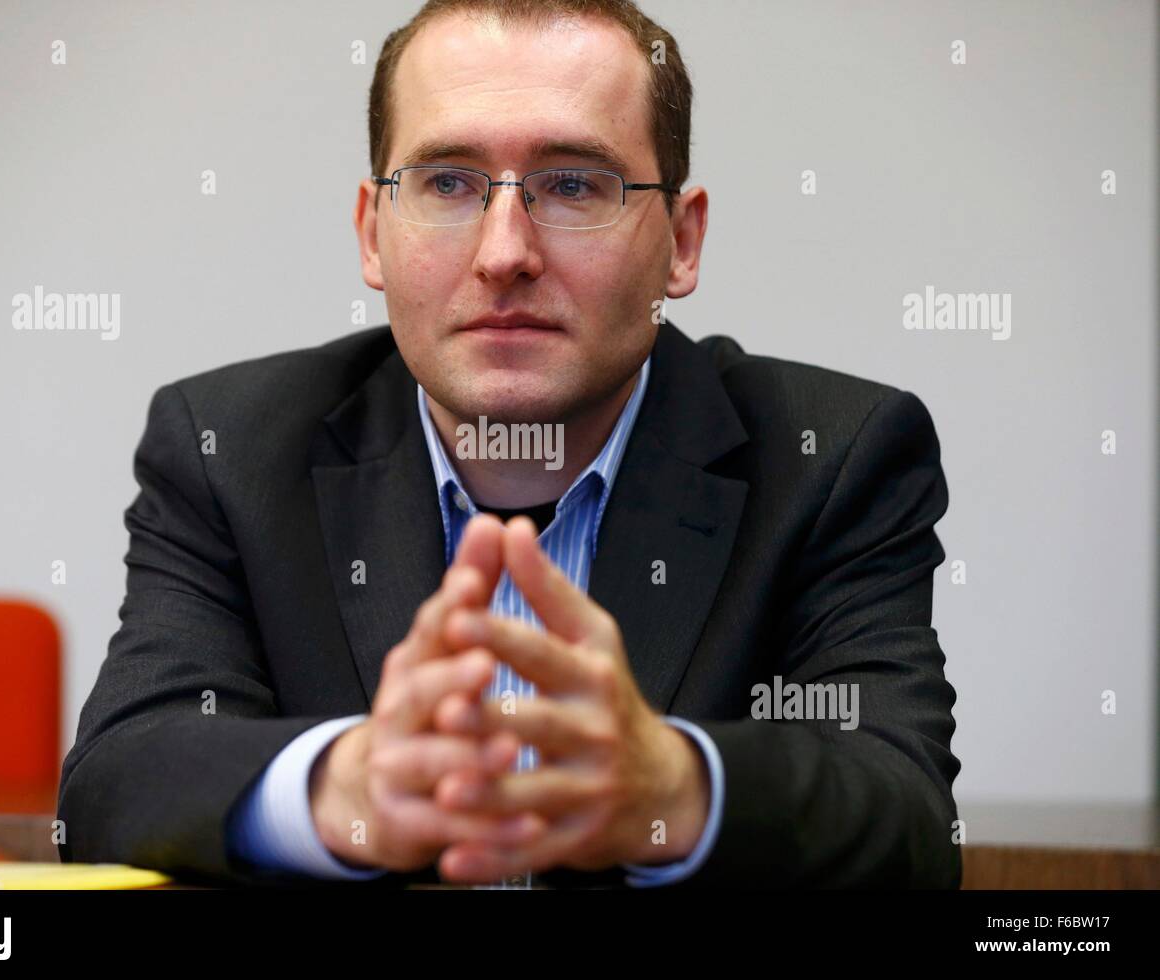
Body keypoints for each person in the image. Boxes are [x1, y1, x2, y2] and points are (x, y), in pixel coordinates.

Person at [57, 0, 961, 889]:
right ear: (374, 231)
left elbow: (907, 822)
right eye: (448, 182)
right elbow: (115, 780)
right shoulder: (229, 448)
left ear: (680, 246)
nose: (504, 253)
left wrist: (674, 788)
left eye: (572, 184)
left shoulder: (833, 456)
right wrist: (348, 786)